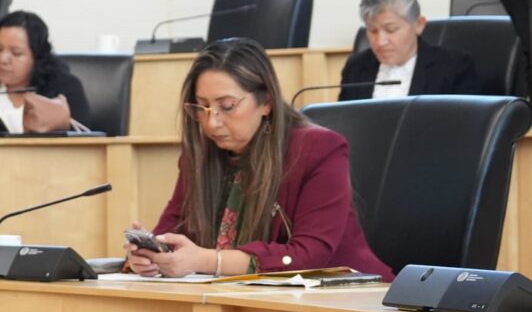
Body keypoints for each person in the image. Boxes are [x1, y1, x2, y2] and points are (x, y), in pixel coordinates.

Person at [126, 39, 390, 278]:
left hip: (346, 302)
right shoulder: (200, 155)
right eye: (201, 107)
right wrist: (153, 257)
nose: (211, 122)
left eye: (226, 106)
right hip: (246, 302)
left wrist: (209, 260)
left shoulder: (319, 150)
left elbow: (310, 255)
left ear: (266, 102)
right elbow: (174, 233)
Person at [0, 10, 93, 134]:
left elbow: (85, 140)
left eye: (16, 53)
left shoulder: (65, 87)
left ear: (37, 57)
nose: (3, 59)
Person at [338, 0, 482, 100]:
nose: (380, 42)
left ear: (419, 25)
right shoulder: (356, 67)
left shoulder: (454, 67)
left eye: (391, 30)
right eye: (372, 31)